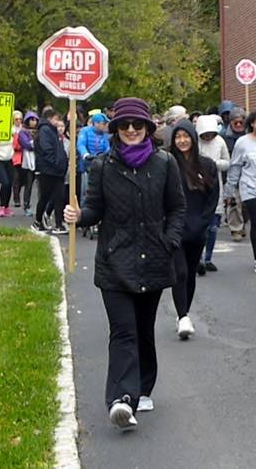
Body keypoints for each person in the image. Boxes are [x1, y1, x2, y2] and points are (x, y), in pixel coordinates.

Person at [63, 97, 186, 430]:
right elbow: (94, 210)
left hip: (154, 258)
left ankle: (144, 387)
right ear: (116, 129)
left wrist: (170, 240)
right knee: (123, 331)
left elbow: (177, 208)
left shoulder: (165, 163)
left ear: (148, 128)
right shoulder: (103, 166)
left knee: (144, 329)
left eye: (138, 125)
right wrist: (78, 216)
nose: (131, 130)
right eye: (125, 125)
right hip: (115, 261)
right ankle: (120, 399)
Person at [169, 119, 219, 339]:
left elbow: (213, 195)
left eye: (186, 136)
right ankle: (182, 317)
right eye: (178, 137)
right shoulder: (168, 163)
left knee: (190, 273)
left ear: (193, 137)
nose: (182, 141)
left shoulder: (206, 165)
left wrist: (204, 221)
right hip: (174, 227)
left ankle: (184, 311)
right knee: (179, 272)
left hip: (198, 228)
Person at [226, 109, 256, 273]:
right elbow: (235, 166)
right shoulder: (242, 142)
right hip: (249, 186)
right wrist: (230, 189)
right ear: (252, 124)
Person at [196, 114, 231, 272]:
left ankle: (208, 257)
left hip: (215, 184)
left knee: (212, 227)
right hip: (197, 185)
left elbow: (227, 162)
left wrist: (214, 164)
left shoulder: (220, 142)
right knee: (199, 226)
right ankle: (199, 257)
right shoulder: (195, 142)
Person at [32, 109, 68, 234]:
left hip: (56, 170)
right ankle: (37, 221)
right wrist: (57, 163)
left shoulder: (52, 131)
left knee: (59, 197)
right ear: (50, 118)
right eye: (56, 119)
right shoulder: (45, 131)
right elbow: (47, 150)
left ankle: (58, 224)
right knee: (46, 196)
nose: (58, 122)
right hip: (47, 170)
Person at [221, 106, 247, 241]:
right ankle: (236, 228)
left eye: (240, 122)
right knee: (233, 201)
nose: (238, 125)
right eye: (235, 122)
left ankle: (242, 223)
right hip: (232, 173)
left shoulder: (250, 134)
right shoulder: (224, 136)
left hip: (248, 173)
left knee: (245, 203)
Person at [77, 112, 111, 203]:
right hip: (87, 165)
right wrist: (86, 155)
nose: (105, 126)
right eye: (103, 124)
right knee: (86, 190)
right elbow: (81, 144)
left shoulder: (105, 135)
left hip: (101, 164)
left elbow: (107, 147)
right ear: (96, 123)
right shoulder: (85, 131)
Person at [17, 112, 39, 217]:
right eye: (31, 119)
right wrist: (35, 144)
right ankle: (26, 205)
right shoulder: (23, 132)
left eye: (35, 119)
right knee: (28, 185)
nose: (33, 122)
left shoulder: (39, 131)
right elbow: (26, 144)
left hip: (39, 161)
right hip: (27, 161)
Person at [11, 110, 25, 207]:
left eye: (20, 119)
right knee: (15, 178)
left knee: (22, 179)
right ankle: (16, 198)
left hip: (24, 156)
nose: (18, 121)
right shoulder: (10, 130)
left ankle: (18, 195)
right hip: (14, 156)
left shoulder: (24, 130)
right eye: (16, 119)